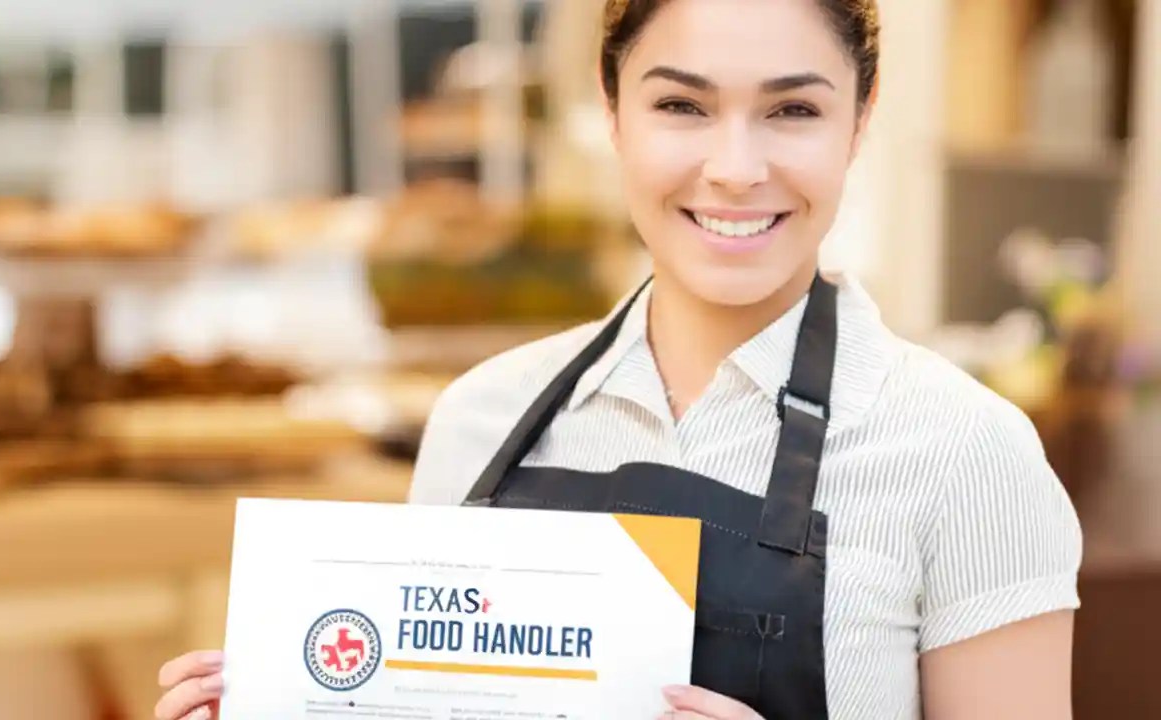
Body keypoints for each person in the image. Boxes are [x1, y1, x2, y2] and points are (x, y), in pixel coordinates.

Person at [154, 0, 1083, 718]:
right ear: (611, 110)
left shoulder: (969, 456)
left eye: (792, 109)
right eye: (682, 104)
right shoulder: (480, 421)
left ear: (860, 118)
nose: (733, 167)